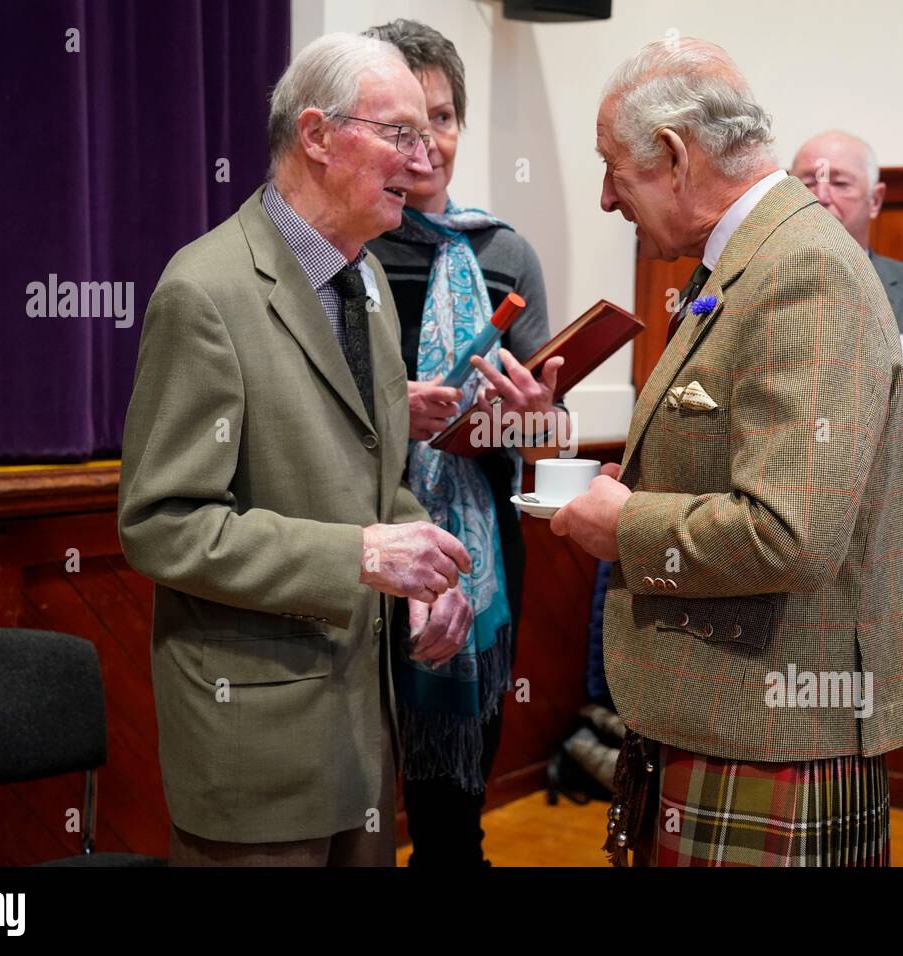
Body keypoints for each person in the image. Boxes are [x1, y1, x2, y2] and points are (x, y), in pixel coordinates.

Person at [554, 38, 903, 866]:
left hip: (768, 722)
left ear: (671, 154)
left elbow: (786, 531)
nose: (604, 198)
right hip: (734, 712)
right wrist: (654, 487)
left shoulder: (801, 267)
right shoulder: (752, 258)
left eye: (610, 168)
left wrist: (627, 523)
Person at [117, 33, 473, 867]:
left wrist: (426, 576)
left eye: (429, 137)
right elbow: (161, 527)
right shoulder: (204, 291)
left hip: (362, 739)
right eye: (401, 135)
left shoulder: (370, 278)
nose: (423, 164)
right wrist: (360, 555)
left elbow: (379, 479)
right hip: (256, 748)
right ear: (316, 135)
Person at [363, 18, 568, 868]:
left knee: (453, 823)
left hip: (480, 553)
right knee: (361, 808)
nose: (427, 146)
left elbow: (550, 426)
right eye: (402, 127)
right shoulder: (343, 249)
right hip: (363, 544)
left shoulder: (505, 252)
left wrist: (525, 417)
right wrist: (387, 407)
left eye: (443, 120)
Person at [791, 131, 903, 606]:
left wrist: (872, 523)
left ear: (875, 200)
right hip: (777, 564)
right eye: (808, 181)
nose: (822, 196)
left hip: (888, 569)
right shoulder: (760, 290)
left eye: (841, 183)